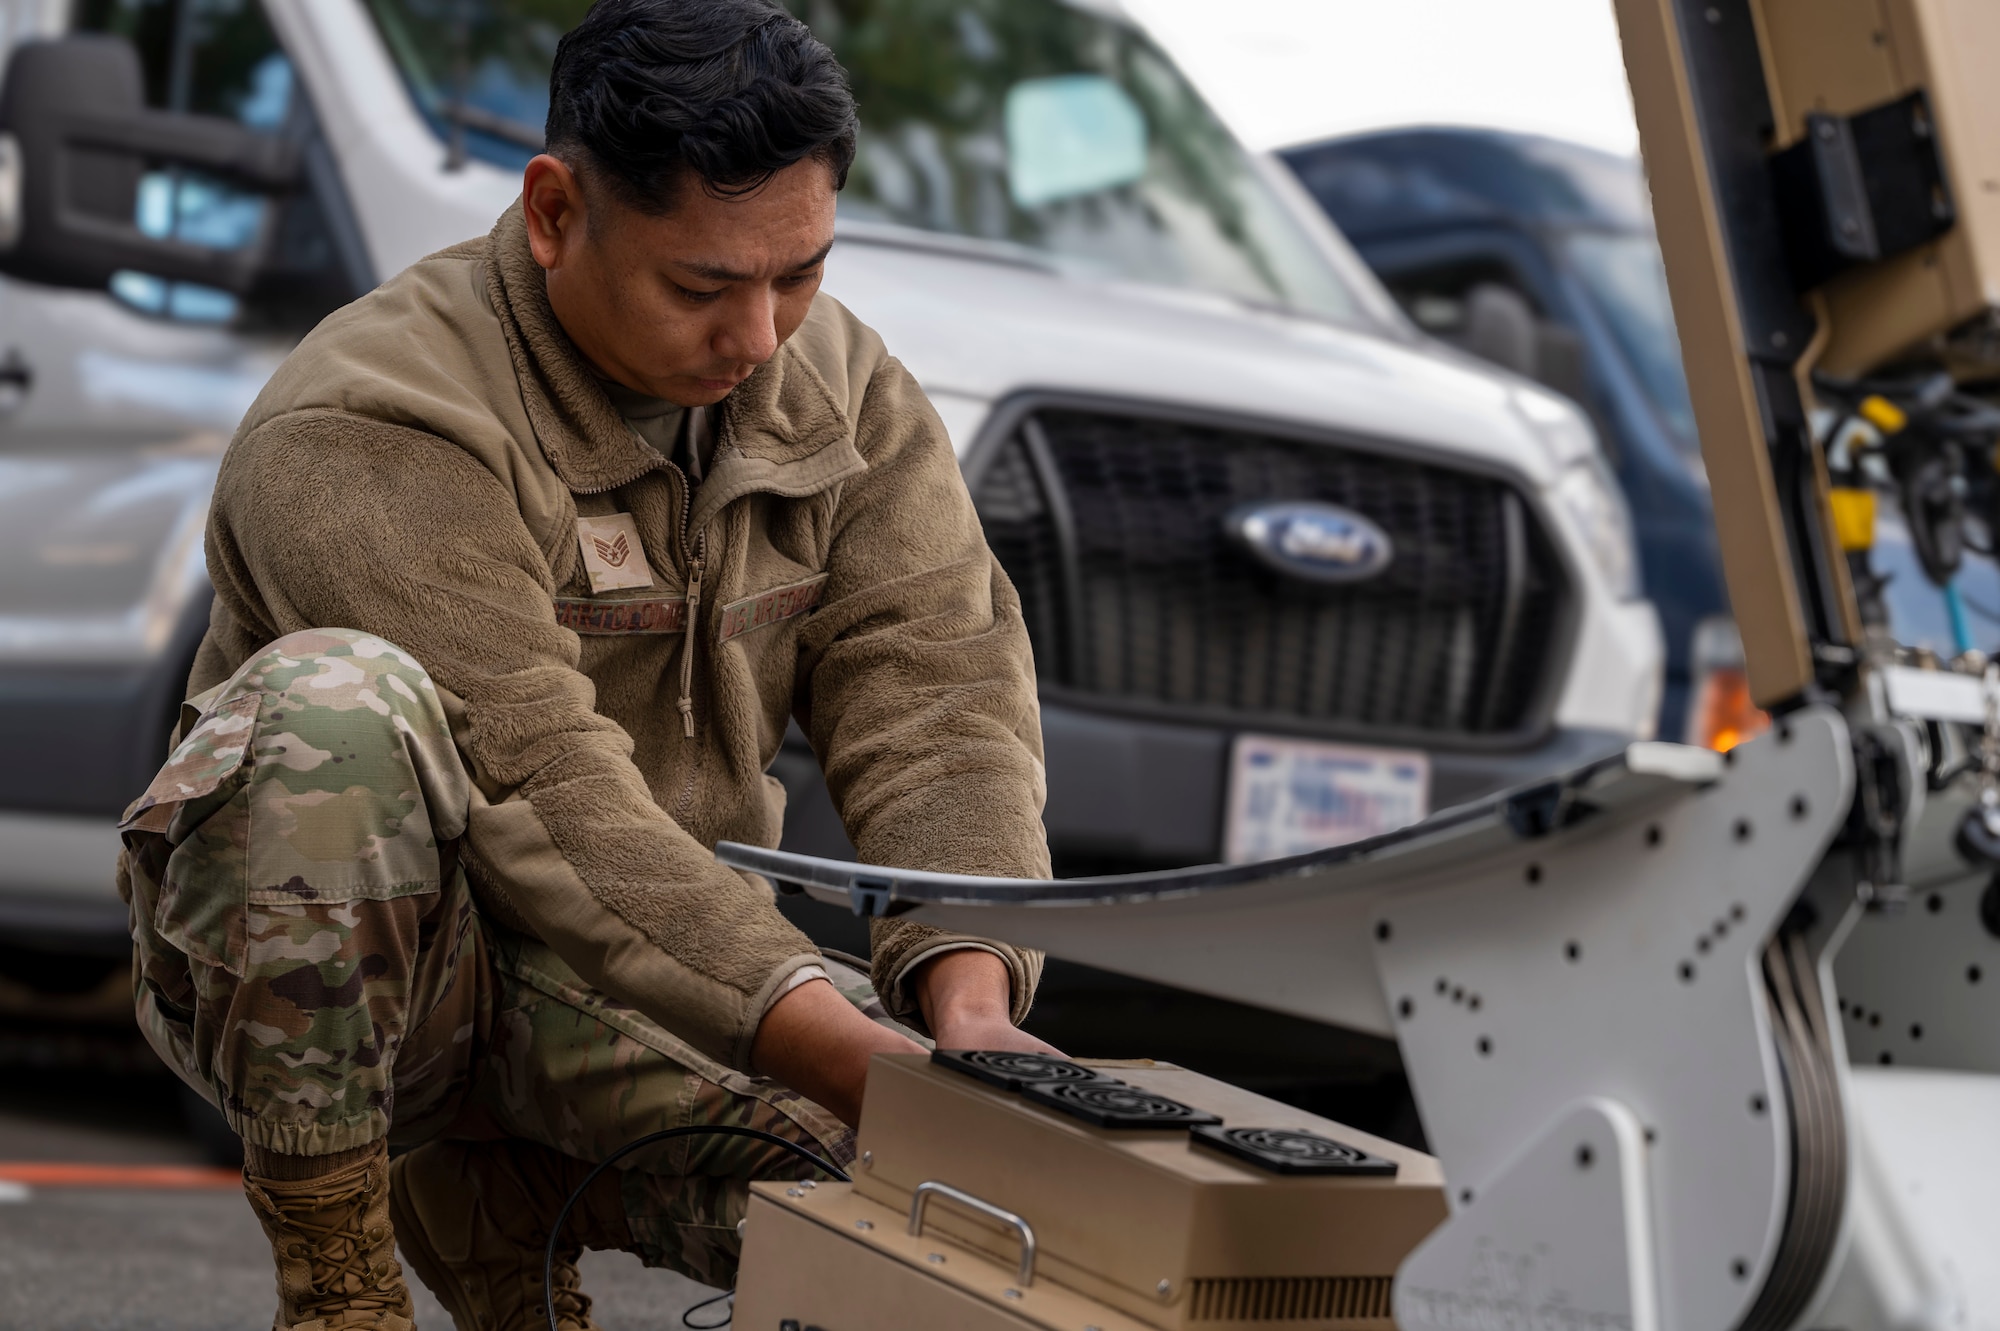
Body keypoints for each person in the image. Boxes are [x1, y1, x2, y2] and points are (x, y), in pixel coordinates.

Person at [115, 2, 1059, 1326]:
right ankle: (339, 1281)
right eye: (703, 288)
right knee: (330, 707)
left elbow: (942, 696)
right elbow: (543, 785)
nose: (760, 338)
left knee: (967, 1209)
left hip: (649, 967)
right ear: (555, 213)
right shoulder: (372, 416)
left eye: (801, 273)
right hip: (385, 978)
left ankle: (499, 1195)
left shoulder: (841, 394)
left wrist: (967, 1006)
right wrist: (836, 1041)